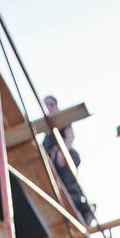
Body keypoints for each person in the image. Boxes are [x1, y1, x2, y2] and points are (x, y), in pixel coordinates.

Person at [42, 94, 94, 226]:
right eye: (46, 105)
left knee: (69, 185)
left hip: (65, 156)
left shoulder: (61, 119)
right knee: (58, 187)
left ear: (56, 105)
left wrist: (62, 152)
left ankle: (85, 211)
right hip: (53, 159)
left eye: (51, 104)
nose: (49, 108)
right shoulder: (45, 124)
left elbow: (70, 136)